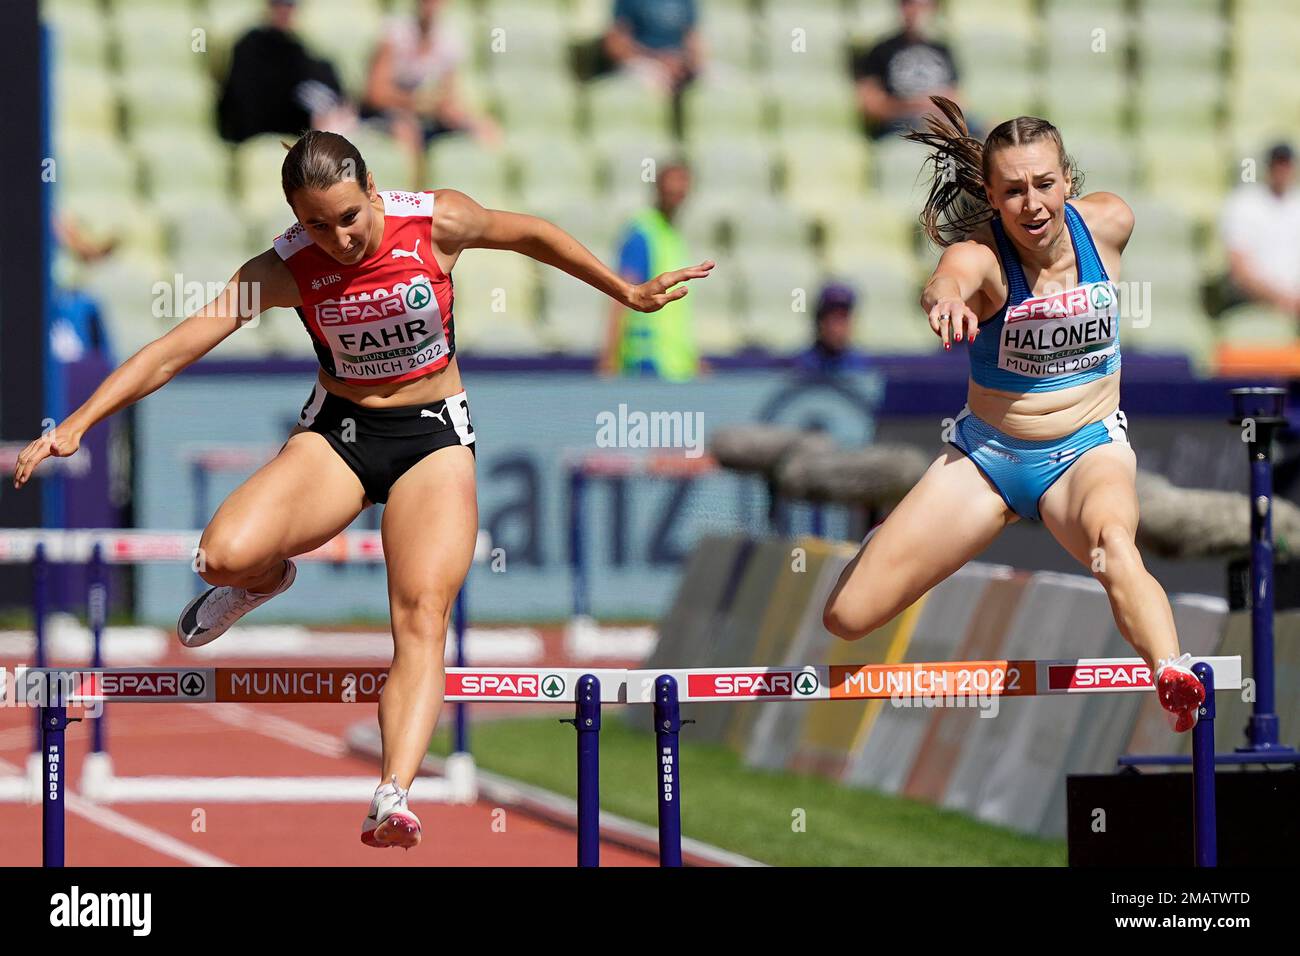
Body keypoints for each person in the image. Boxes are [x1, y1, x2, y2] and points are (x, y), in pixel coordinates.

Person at [12, 130, 714, 848]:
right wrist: (78, 423)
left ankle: (392, 793)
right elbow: (177, 347)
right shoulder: (283, 268)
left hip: (433, 438)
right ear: (294, 218)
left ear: (372, 188)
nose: (340, 237)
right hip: (340, 436)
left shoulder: (437, 221)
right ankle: (262, 580)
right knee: (221, 556)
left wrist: (622, 289)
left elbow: (530, 233)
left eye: (349, 216)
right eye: (317, 224)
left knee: (420, 616)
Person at [820, 97, 1205, 732]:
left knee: (1114, 544)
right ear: (993, 199)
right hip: (989, 459)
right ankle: (883, 542)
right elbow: (946, 278)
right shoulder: (985, 258)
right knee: (848, 616)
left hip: (1088, 449)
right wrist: (944, 300)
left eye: (1045, 185)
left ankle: (1172, 673)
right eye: (1015, 190)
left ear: (1068, 182)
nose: (1033, 204)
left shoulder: (1109, 224)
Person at [360, 0, 501, 182]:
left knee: (486, 129)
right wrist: (415, 102)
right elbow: (375, 94)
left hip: (427, 116)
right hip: (388, 115)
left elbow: (449, 95)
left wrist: (461, 117)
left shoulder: (449, 40)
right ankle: (412, 191)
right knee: (407, 131)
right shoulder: (394, 34)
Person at [600, 160, 700, 380]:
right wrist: (609, 357)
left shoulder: (672, 236)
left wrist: (692, 360)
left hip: (675, 365)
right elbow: (620, 293)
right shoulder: (643, 233)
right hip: (647, 360)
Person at [216, 0, 351, 144]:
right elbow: (240, 113)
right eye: (280, 4)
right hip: (258, 139)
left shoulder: (305, 56)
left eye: (290, 4)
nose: (285, 10)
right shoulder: (248, 48)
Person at [852, 0, 962, 141]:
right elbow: (870, 105)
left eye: (922, 5)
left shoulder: (942, 49)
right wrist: (913, 104)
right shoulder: (880, 50)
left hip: (941, 121)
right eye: (909, 3)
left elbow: (958, 99)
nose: (915, 11)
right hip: (901, 124)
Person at [1216, 142, 1300, 319]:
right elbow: (1239, 268)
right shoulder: (1244, 203)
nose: (1281, 171)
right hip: (1254, 300)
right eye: (1277, 164)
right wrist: (1278, 298)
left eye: (1286, 165)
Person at [603, 0, 702, 94]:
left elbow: (693, 38)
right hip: (642, 61)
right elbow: (616, 41)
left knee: (711, 79)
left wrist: (686, 62)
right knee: (655, 81)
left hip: (679, 61)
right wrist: (657, 59)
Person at [793, 282, 872, 375]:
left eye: (842, 318)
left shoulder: (863, 365)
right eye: (831, 318)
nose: (836, 328)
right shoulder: (799, 365)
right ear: (819, 321)